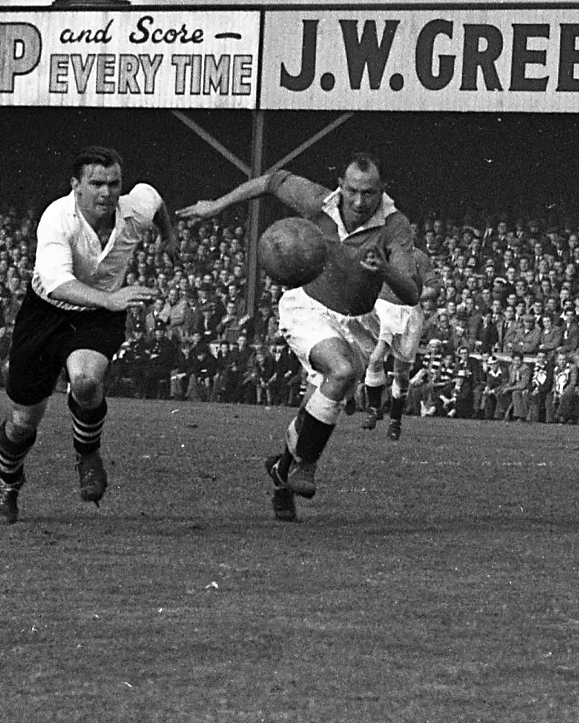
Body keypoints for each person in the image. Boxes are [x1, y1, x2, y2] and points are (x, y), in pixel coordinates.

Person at [179, 153, 420, 522]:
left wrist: (385, 268)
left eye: (368, 193)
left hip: (357, 322)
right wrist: (218, 205)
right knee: (341, 373)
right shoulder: (317, 200)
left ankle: (281, 471)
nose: (358, 202)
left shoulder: (394, 226)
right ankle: (305, 466)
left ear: (381, 190)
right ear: (340, 185)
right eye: (352, 191)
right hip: (307, 306)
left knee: (314, 406)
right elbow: (271, 181)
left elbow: (412, 293)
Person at [0, 146, 174, 525]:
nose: (107, 193)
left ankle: (87, 454)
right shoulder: (58, 218)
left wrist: (169, 237)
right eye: (96, 184)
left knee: (86, 380)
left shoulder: (133, 210)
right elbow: (57, 283)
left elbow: (155, 200)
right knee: (24, 420)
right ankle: (8, 486)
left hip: (96, 316)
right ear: (76, 186)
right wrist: (110, 298)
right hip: (45, 313)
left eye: (113, 184)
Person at [360, 236, 437, 441]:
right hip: (385, 309)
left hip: (410, 314)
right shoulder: (382, 257)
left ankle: (395, 421)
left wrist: (411, 295)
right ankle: (374, 409)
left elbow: (434, 287)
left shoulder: (419, 257)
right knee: (375, 358)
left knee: (401, 373)